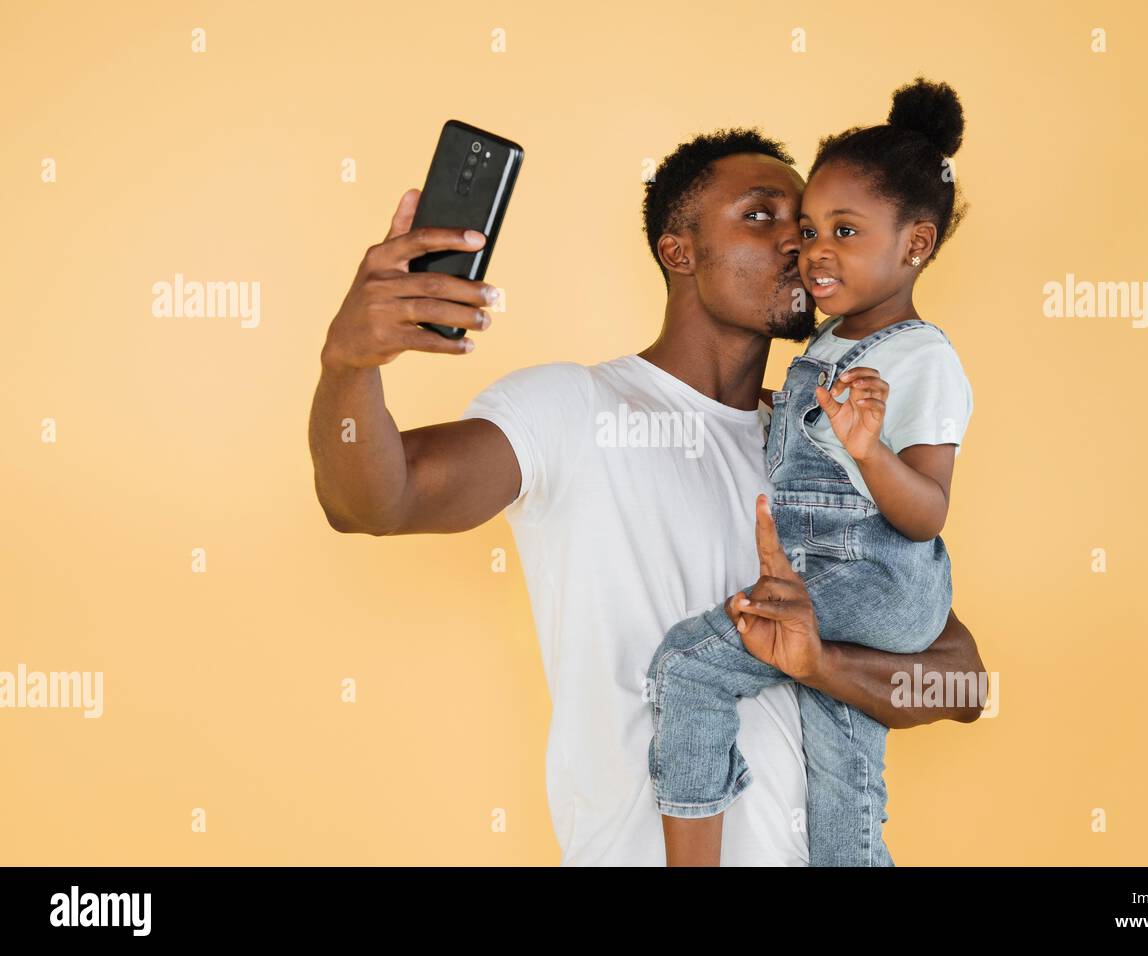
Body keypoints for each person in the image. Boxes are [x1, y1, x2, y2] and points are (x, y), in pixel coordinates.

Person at [307, 121, 988, 866]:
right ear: (679, 251)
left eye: (808, 223)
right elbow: (376, 502)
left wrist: (818, 662)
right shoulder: (576, 408)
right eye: (761, 216)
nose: (801, 243)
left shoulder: (827, 439)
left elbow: (960, 687)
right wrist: (348, 367)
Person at [648, 77, 975, 866]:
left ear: (916, 245)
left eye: (846, 231)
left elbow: (928, 513)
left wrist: (869, 450)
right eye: (808, 228)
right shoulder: (831, 341)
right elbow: (811, 432)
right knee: (843, 765)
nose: (813, 250)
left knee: (688, 671)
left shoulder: (923, 356)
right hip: (840, 579)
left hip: (875, 578)